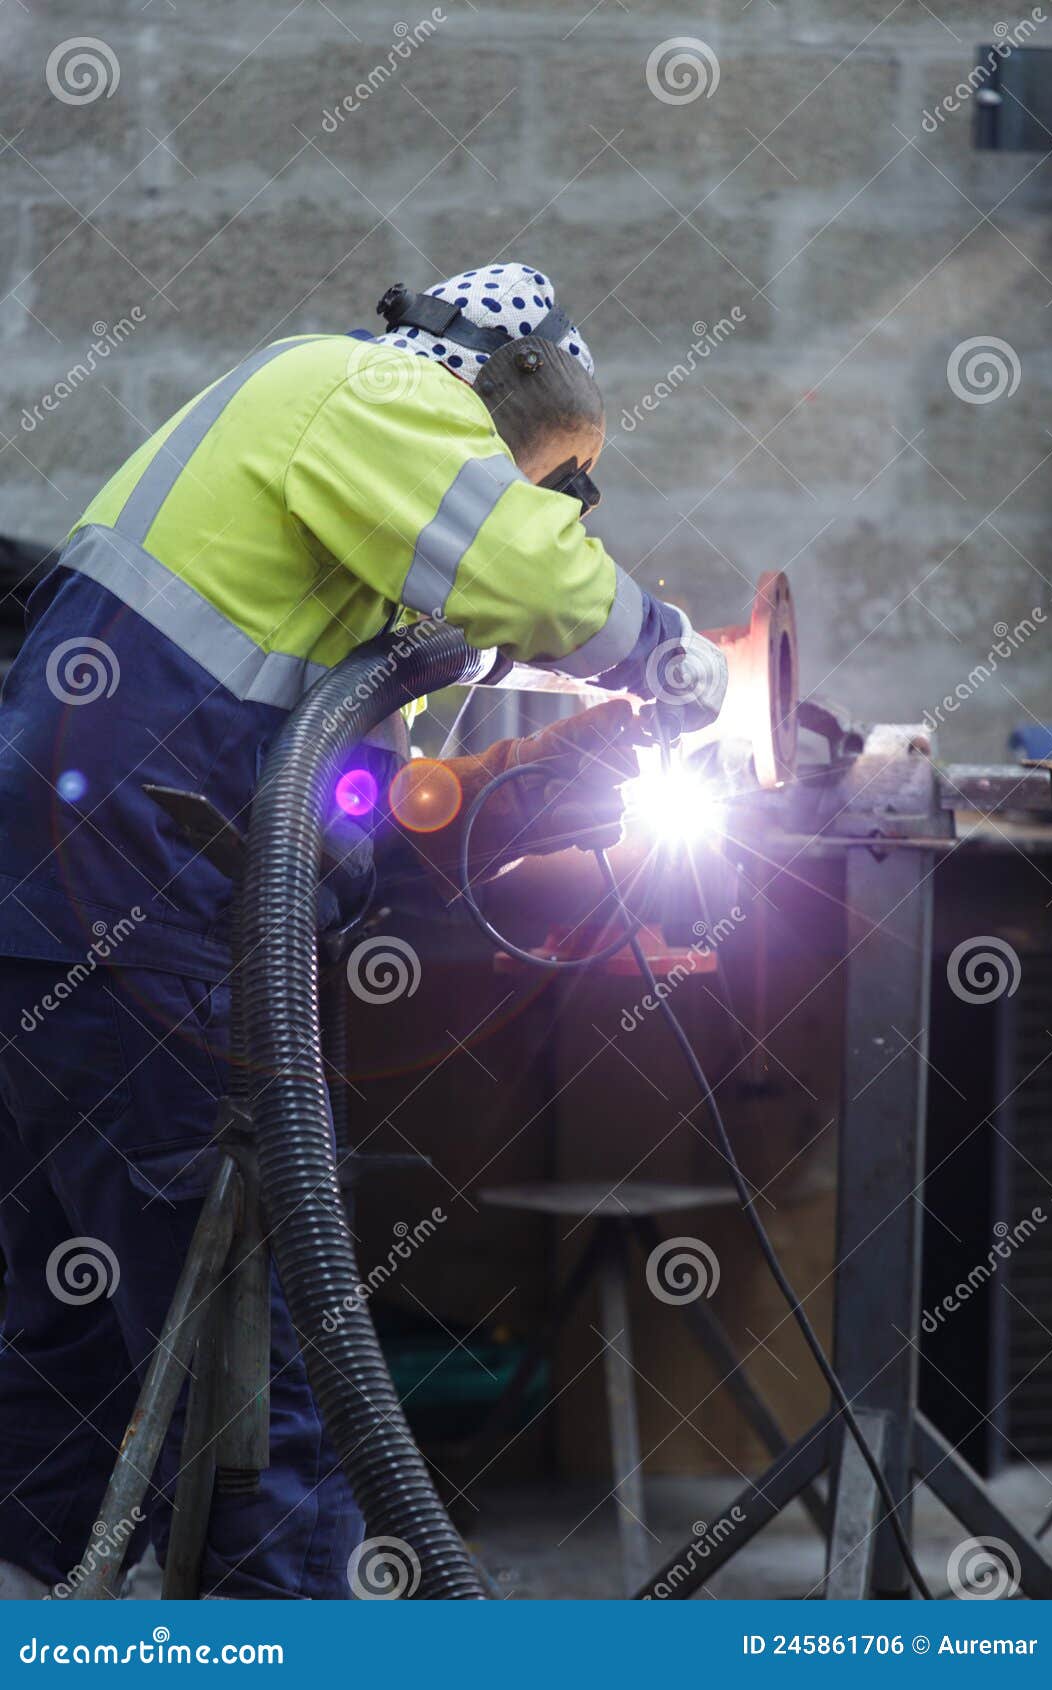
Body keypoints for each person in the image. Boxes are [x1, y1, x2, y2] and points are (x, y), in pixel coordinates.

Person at [0, 262, 726, 1598]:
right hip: (126, 904)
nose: (563, 515)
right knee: (251, 1359)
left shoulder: (336, 534)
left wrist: (508, 800)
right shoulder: (367, 389)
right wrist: (675, 655)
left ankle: (76, 1619)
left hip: (56, 914)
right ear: (507, 416)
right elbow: (532, 576)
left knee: (65, 1341)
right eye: (559, 482)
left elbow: (341, 815)